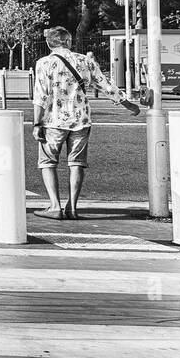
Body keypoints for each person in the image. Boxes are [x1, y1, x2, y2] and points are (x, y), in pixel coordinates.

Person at [31, 26, 127, 220]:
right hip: (81, 119)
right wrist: (127, 103)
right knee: (77, 163)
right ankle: (72, 207)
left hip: (53, 121)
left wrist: (36, 123)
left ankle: (55, 206)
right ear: (69, 41)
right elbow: (105, 85)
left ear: (49, 44)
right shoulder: (85, 61)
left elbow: (40, 95)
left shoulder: (44, 63)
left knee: (48, 162)